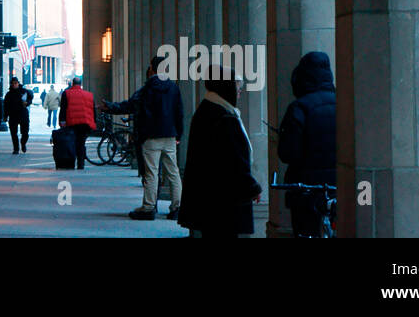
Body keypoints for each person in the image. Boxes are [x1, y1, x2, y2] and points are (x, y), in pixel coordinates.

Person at [176, 69, 262, 238]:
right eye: (235, 86)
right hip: (223, 200)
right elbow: (235, 161)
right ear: (226, 87)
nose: (239, 91)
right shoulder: (224, 117)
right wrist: (253, 187)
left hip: (210, 198)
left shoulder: (208, 111)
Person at [103, 57, 183, 220]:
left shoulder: (147, 88)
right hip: (169, 135)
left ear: (152, 69)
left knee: (151, 172)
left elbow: (131, 105)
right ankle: (177, 207)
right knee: (173, 171)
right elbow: (179, 113)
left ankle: (148, 207)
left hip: (151, 135)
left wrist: (110, 107)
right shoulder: (174, 88)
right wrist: (178, 134)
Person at [277, 51, 336, 236]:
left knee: (305, 231)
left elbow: (288, 153)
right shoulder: (344, 103)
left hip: (306, 190)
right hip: (338, 186)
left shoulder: (299, 107)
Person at [59, 75, 97, 169]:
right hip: (84, 123)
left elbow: (63, 108)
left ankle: (71, 162)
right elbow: (92, 110)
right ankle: (81, 163)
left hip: (72, 122)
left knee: (71, 142)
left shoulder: (66, 93)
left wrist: (62, 121)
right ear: (80, 84)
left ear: (72, 84)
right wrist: (94, 122)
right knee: (81, 143)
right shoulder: (89, 95)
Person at [4, 77, 33, 154]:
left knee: (25, 133)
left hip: (23, 114)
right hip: (13, 115)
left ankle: (23, 143)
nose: (14, 85)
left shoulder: (24, 91)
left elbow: (30, 98)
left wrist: (27, 103)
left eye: (15, 83)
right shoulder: (9, 94)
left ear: (18, 83)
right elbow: (6, 106)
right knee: (13, 133)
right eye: (12, 83)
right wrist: (5, 116)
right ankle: (16, 148)